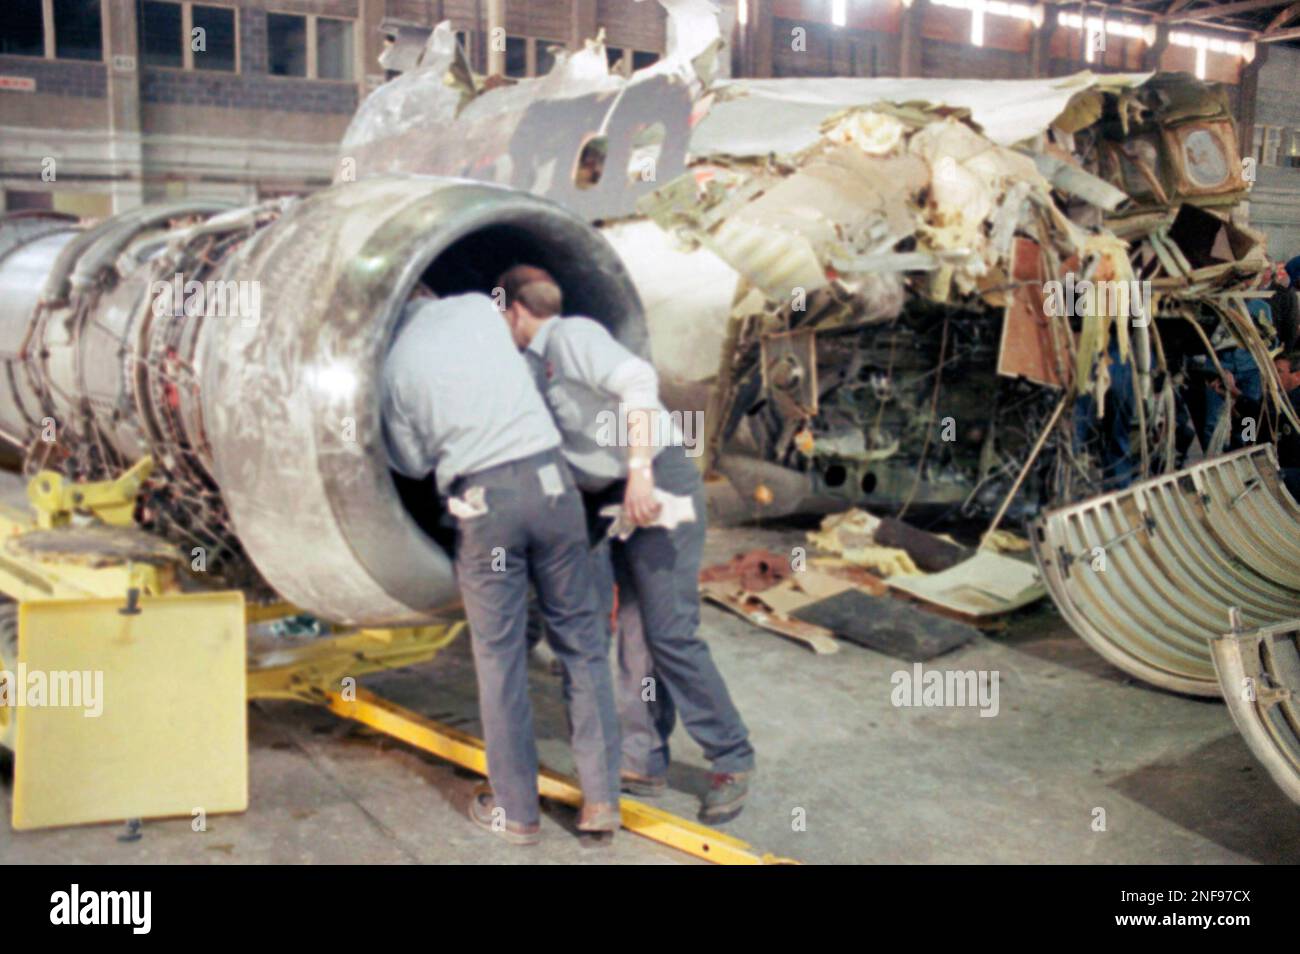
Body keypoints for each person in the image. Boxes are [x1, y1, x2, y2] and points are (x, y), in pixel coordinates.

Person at [495, 264, 756, 824]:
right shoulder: (532, 363)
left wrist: (639, 473)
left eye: (500, 313)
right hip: (610, 496)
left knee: (670, 633)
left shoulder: (573, 338)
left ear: (514, 309)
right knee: (631, 636)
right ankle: (642, 759)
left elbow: (637, 381)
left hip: (656, 484)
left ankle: (732, 757)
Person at [381, 289, 622, 845]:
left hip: (486, 508)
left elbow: (412, 462)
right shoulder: (475, 307)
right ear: (425, 291)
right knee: (582, 645)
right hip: (553, 486)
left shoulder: (392, 369)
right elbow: (528, 369)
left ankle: (518, 814)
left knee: (500, 659)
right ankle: (603, 801)